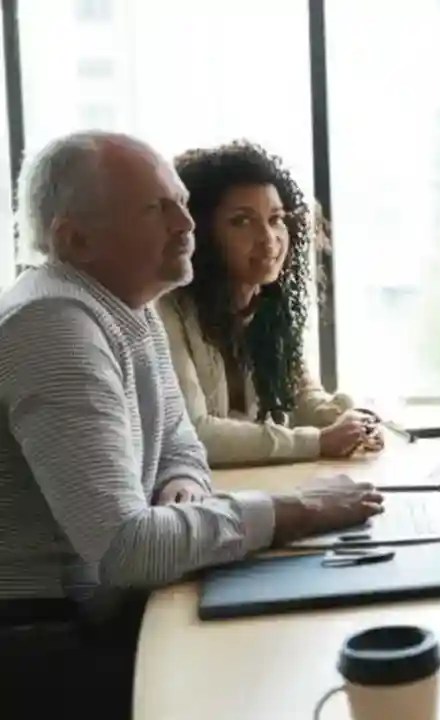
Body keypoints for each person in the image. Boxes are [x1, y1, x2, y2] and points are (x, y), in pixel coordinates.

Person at [0, 131, 384, 717]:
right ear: (73, 238)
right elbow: (125, 549)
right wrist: (298, 509)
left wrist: (186, 489)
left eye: (182, 202)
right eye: (157, 209)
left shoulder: (128, 304)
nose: (187, 225)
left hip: (102, 615)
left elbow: (181, 446)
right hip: (45, 646)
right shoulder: (55, 324)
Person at [157, 141, 380, 466]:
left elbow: (303, 399)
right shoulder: (164, 311)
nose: (268, 238)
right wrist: (318, 441)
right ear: (202, 233)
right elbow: (195, 435)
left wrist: (353, 420)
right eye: (242, 222)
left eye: (275, 219)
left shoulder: (267, 308)